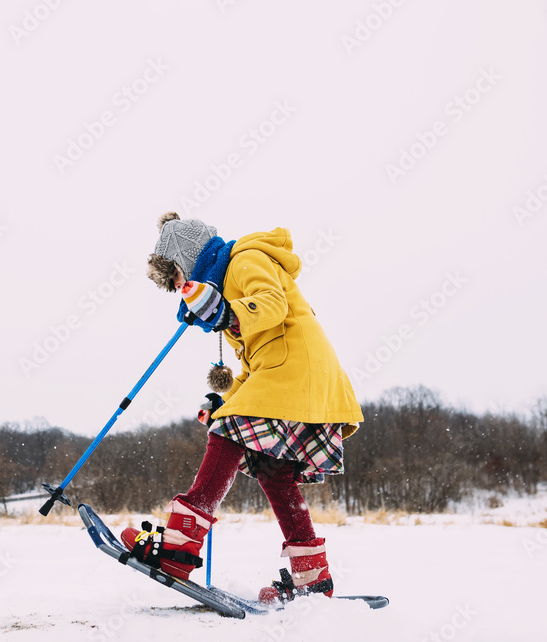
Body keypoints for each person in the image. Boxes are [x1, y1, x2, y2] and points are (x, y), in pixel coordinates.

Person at [120, 212, 364, 603]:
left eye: (179, 278)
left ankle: (178, 547)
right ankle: (312, 580)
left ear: (191, 259)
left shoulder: (245, 259)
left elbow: (272, 305)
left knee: (228, 432)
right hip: (302, 376)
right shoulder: (231, 279)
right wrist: (226, 402)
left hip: (296, 371)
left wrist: (228, 314)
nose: (183, 288)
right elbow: (256, 367)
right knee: (274, 469)